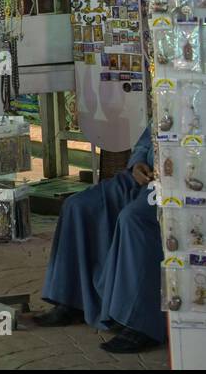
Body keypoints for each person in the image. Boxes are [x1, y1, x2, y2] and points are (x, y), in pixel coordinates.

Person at [33, 126, 165, 353]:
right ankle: (73, 300)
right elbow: (147, 139)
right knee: (77, 206)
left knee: (134, 220)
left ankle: (141, 324)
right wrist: (137, 164)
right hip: (144, 179)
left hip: (177, 185)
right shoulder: (169, 102)